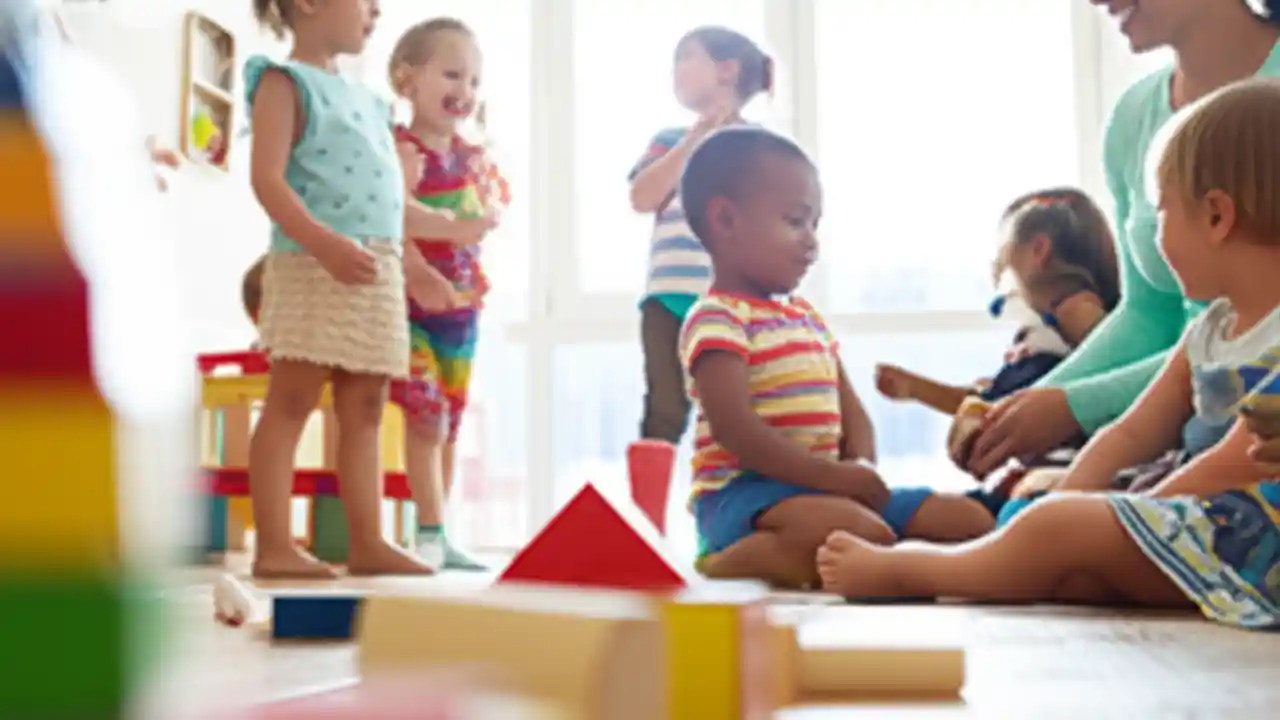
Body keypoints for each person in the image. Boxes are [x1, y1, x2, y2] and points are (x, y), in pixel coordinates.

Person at [817, 78, 1280, 630]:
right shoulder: (1208, 330)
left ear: (1216, 217)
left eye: (1161, 213)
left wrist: (1120, 515)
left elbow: (1235, 461)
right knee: (1068, 560)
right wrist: (1069, 496)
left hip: (1256, 540)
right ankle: (1010, 552)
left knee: (1060, 534)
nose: (1154, 235)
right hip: (1200, 520)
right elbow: (1130, 434)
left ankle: (918, 571)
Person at [964, 0, 1280, 479]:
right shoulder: (1133, 117)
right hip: (1174, 442)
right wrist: (1030, 406)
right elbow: (1148, 314)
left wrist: (1074, 405)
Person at [681, 127, 994, 590]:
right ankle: (725, 562)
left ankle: (876, 554)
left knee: (969, 521)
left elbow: (853, 416)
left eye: (815, 225)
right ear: (725, 220)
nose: (812, 242)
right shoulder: (717, 319)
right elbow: (736, 430)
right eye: (794, 221)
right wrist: (834, 479)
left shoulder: (807, 318)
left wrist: (860, 471)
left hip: (822, 489)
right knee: (861, 534)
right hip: (743, 499)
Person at [244, 0, 449, 578]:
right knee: (291, 399)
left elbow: (389, 203)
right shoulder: (284, 83)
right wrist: (321, 242)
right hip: (314, 263)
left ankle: (367, 541)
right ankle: (275, 547)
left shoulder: (369, 101)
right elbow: (266, 178)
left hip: (374, 267)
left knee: (365, 407)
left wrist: (418, 263)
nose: (376, 9)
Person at [387, 17, 510, 571]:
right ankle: (429, 533)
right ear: (407, 80)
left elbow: (490, 210)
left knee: (450, 423)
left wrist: (487, 213)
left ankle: (442, 533)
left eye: (475, 81)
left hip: (461, 309)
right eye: (453, 74)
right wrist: (415, 270)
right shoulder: (400, 149)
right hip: (407, 307)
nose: (465, 91)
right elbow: (389, 218)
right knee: (426, 416)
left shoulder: (472, 156)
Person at [630, 26, 774, 447]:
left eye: (685, 57)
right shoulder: (669, 141)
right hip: (668, 299)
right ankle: (648, 514)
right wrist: (695, 138)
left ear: (726, 70)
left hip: (736, 304)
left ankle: (737, 505)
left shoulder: (759, 146)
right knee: (664, 411)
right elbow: (642, 196)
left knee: (737, 411)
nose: (676, 69)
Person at [876, 188, 1118, 418]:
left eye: (1004, 252)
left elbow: (995, 406)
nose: (999, 265)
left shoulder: (1078, 318)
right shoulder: (1036, 334)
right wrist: (915, 389)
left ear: (1039, 249)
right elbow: (991, 404)